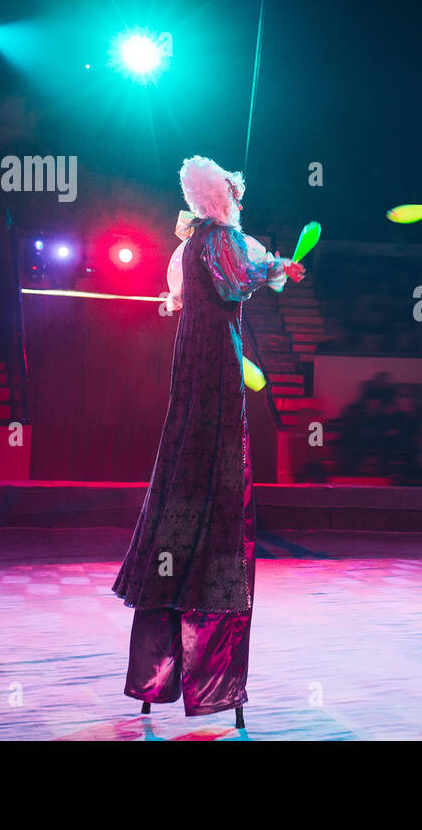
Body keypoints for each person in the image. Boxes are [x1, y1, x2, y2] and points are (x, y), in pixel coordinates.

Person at [112, 156, 305, 725]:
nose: (236, 199)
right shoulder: (219, 238)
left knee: (182, 475)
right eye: (232, 191)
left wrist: (270, 266)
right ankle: (215, 682)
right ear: (220, 197)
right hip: (218, 364)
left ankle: (156, 681)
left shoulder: (191, 242)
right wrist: (279, 269)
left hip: (192, 363)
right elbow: (238, 279)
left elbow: (188, 290)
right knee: (222, 491)